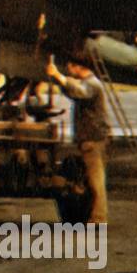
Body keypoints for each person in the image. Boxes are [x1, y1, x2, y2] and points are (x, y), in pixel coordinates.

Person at [45, 53, 109, 223]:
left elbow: (79, 92)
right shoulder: (90, 83)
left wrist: (58, 76)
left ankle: (98, 218)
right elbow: (73, 92)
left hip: (92, 138)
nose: (69, 70)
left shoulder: (92, 85)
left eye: (71, 66)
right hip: (91, 137)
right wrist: (61, 80)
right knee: (92, 178)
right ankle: (94, 216)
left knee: (95, 180)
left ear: (78, 66)